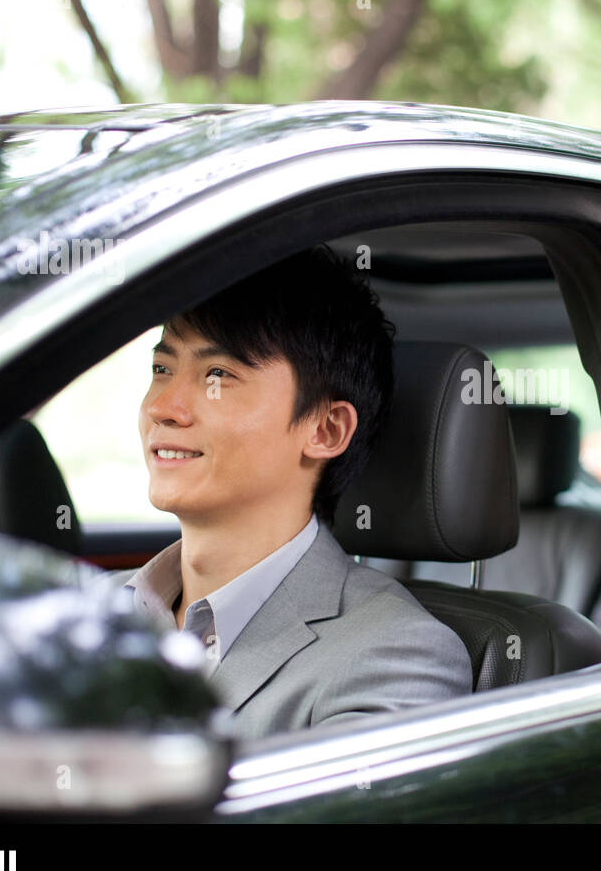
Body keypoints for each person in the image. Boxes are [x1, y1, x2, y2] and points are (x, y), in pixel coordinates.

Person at [122, 245, 472, 737]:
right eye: (162, 369)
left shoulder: (394, 655)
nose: (164, 406)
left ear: (326, 430)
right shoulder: (89, 609)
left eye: (217, 375)